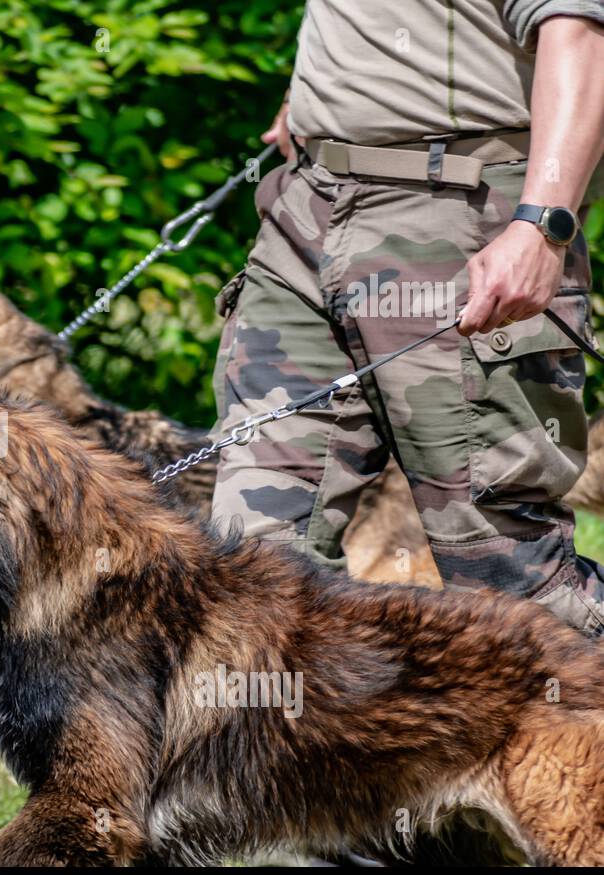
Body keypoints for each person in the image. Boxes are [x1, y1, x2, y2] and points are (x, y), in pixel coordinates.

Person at [213, 1, 604, 636]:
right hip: (305, 211)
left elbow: (581, 34)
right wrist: (327, 97)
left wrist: (544, 225)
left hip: (456, 216)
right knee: (251, 567)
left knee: (512, 586)